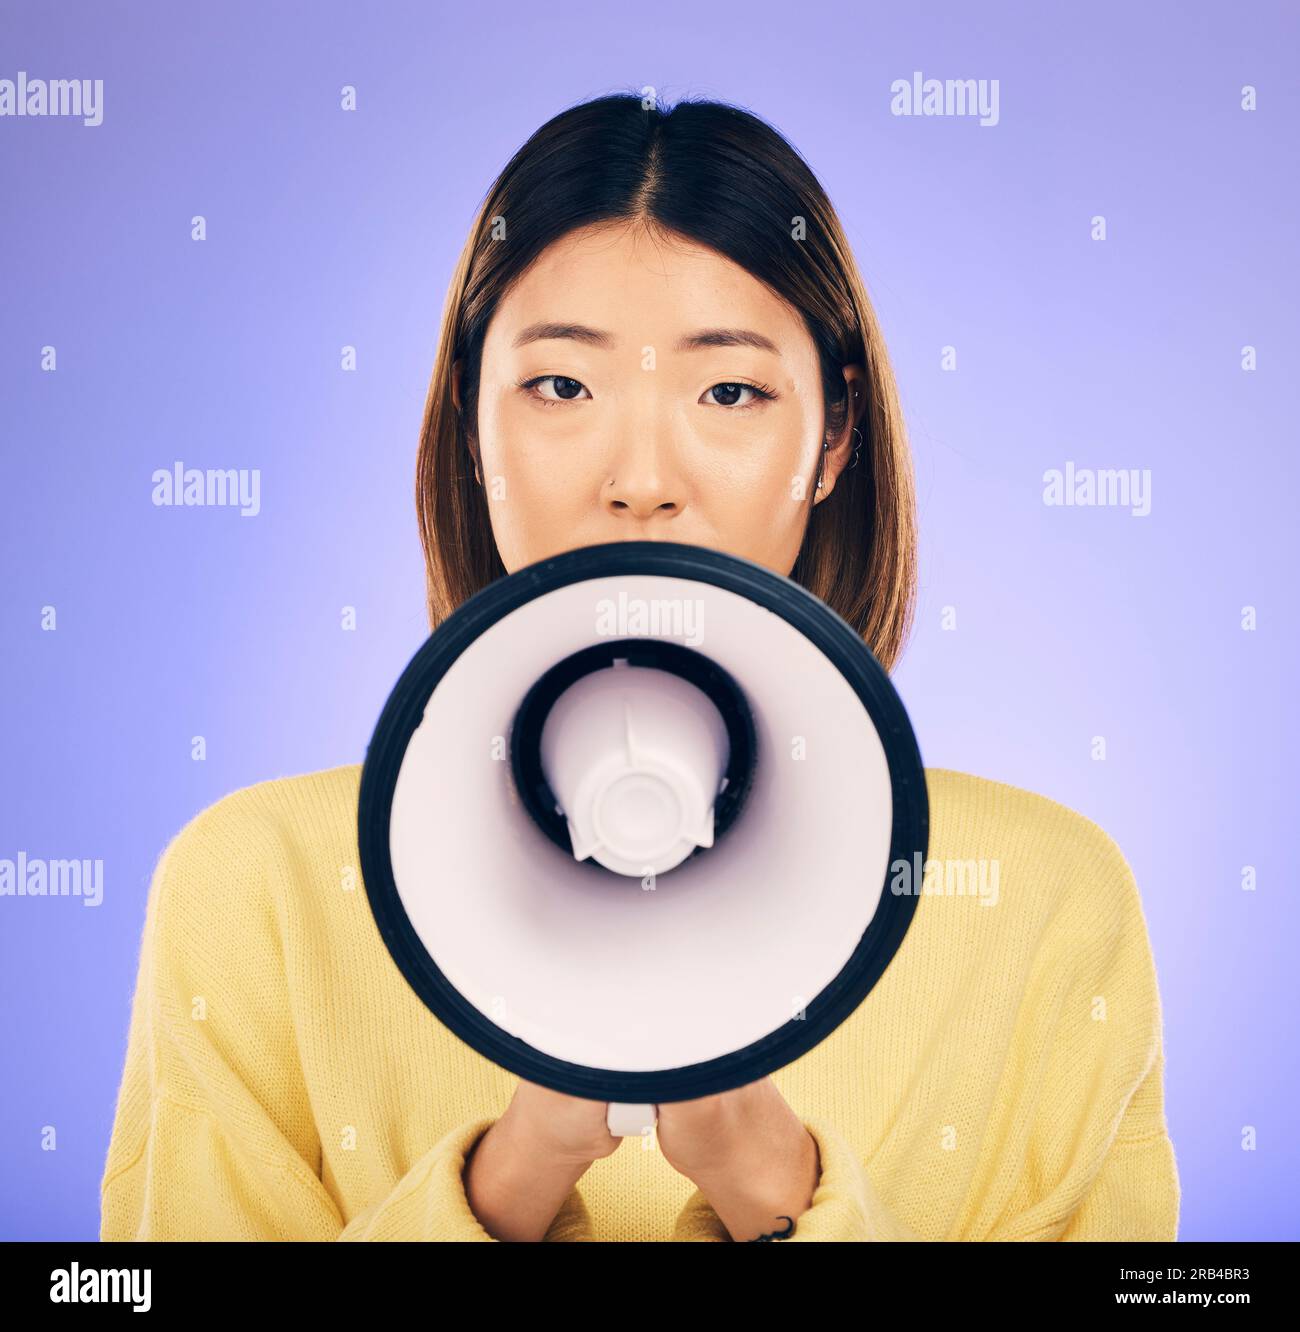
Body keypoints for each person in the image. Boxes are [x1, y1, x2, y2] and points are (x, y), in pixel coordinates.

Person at [99, 91, 1179, 1242]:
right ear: (472, 423)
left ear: (834, 438)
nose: (641, 481)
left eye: (730, 392)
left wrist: (775, 1190)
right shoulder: (257, 892)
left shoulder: (1045, 902)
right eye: (562, 386)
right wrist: (505, 1182)